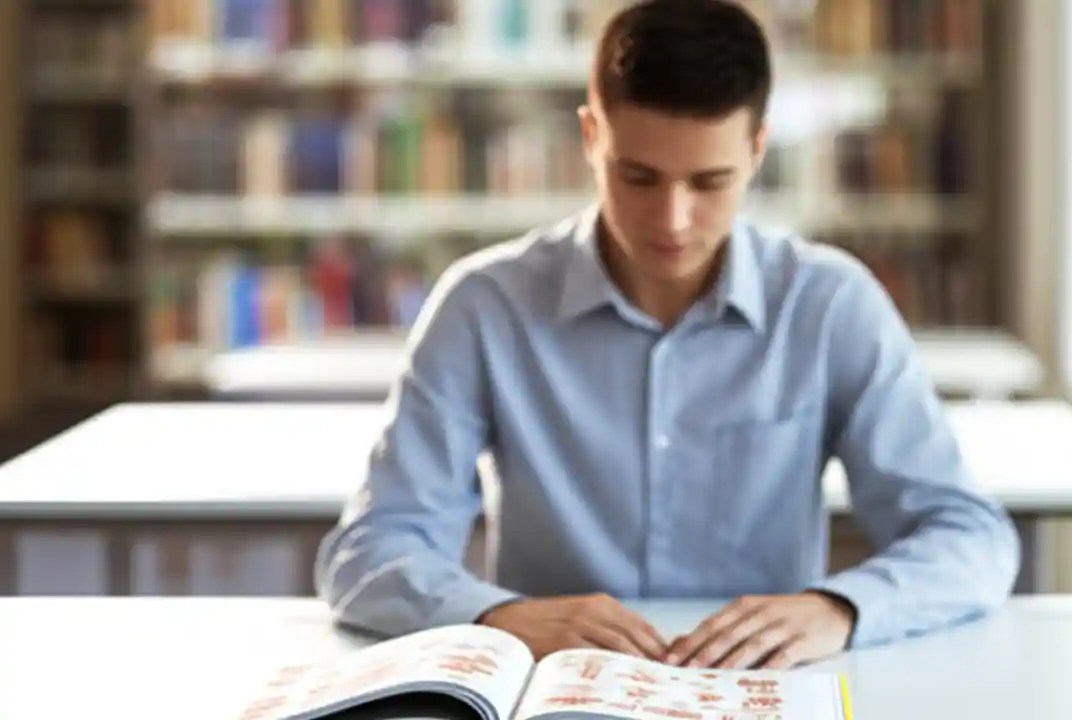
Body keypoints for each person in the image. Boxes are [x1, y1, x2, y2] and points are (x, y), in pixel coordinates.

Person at [316, 0, 1019, 670]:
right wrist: (500, 617)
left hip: (763, 687)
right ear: (592, 137)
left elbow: (972, 538)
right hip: (556, 687)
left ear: (757, 149)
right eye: (639, 177)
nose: (673, 220)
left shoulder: (830, 306)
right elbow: (371, 550)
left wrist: (838, 608)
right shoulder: (484, 306)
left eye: (709, 181)